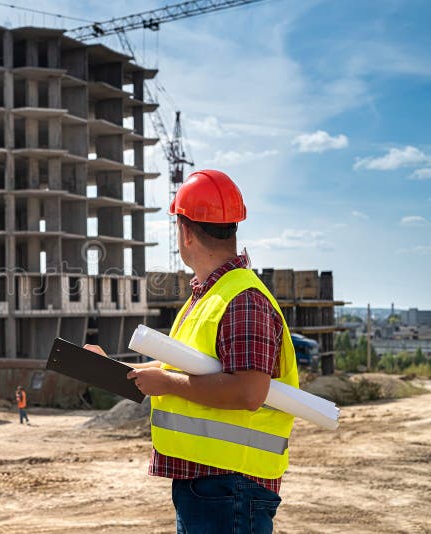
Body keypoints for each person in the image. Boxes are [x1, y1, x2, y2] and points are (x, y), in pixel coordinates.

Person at [85, 169, 298, 534]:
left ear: (184, 231)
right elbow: (178, 367)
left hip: (232, 485)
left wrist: (166, 384)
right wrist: (113, 368)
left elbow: (248, 392)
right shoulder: (210, 296)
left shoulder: (242, 300)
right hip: (210, 484)